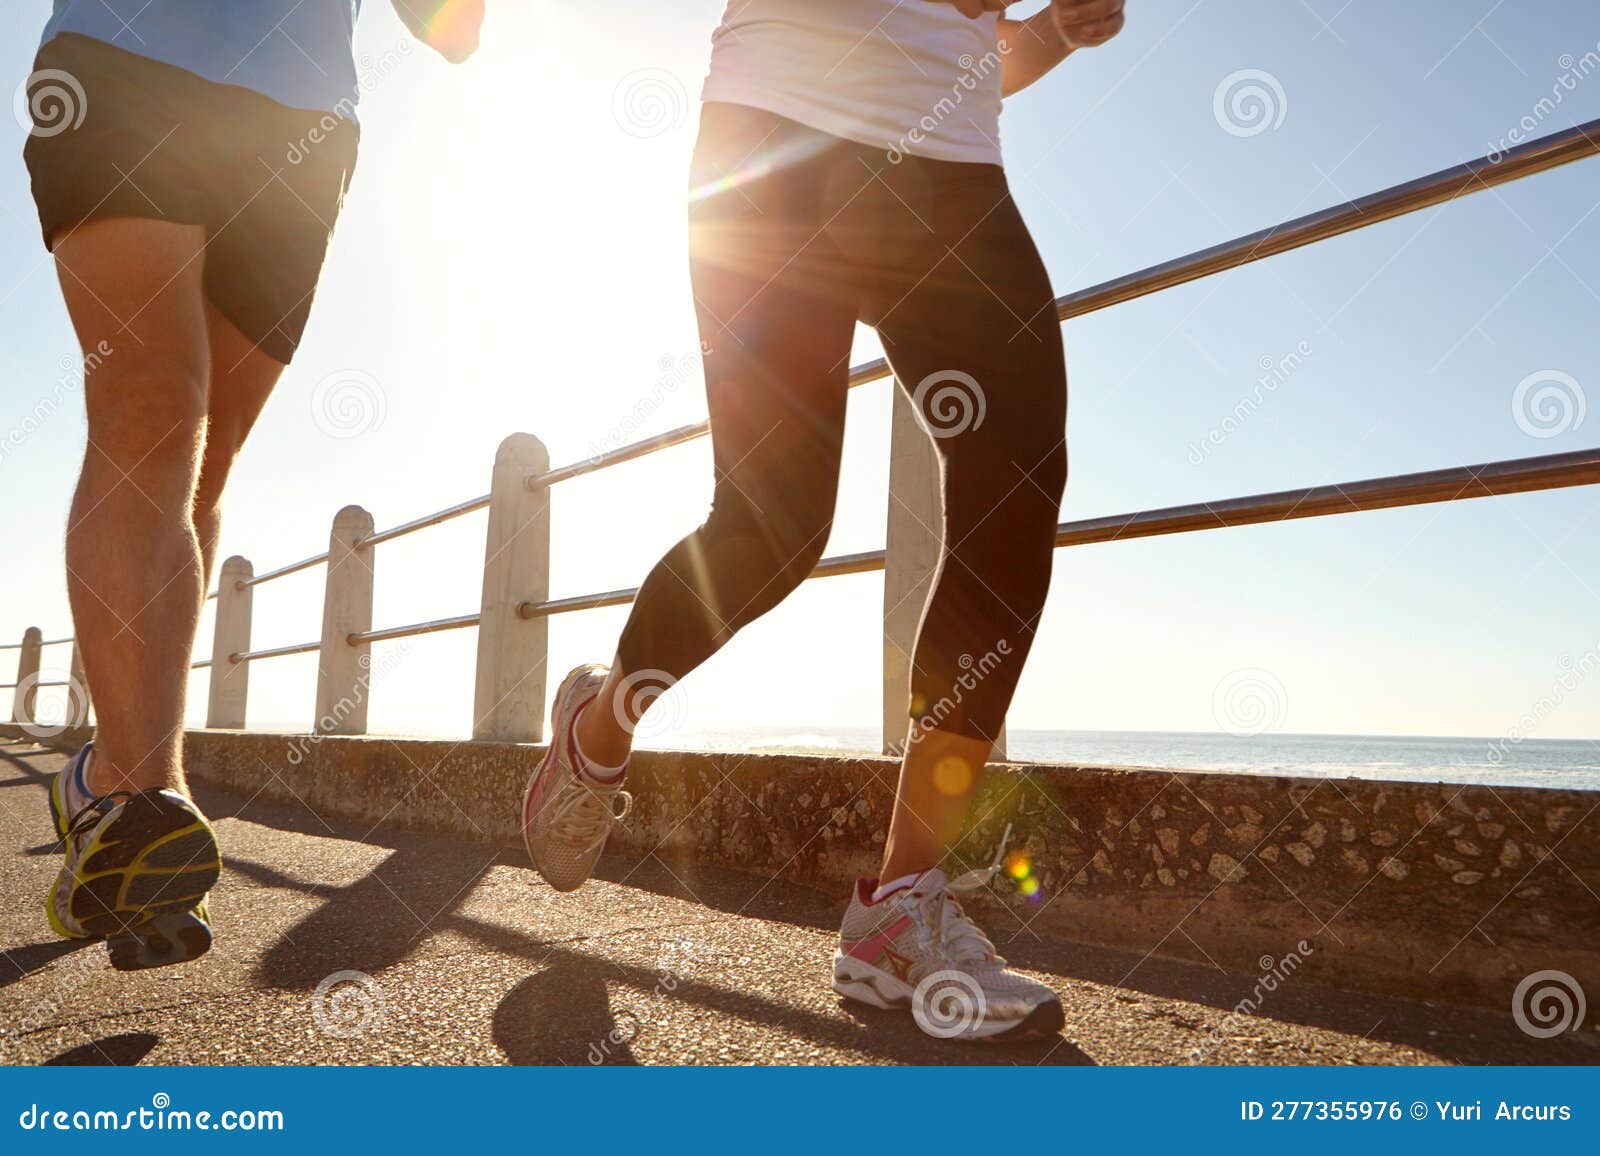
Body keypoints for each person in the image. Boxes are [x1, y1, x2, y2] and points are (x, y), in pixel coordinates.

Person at [522, 0, 1126, 1041]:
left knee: (1015, 483)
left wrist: (1056, 32)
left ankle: (898, 908)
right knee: (777, 522)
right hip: (775, 144)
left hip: (948, 171)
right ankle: (600, 724)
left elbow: (970, 52)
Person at [23, 0, 484, 970]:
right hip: (123, 57)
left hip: (300, 123)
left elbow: (450, 27)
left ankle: (110, 782)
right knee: (150, 402)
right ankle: (150, 801)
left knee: (202, 465)